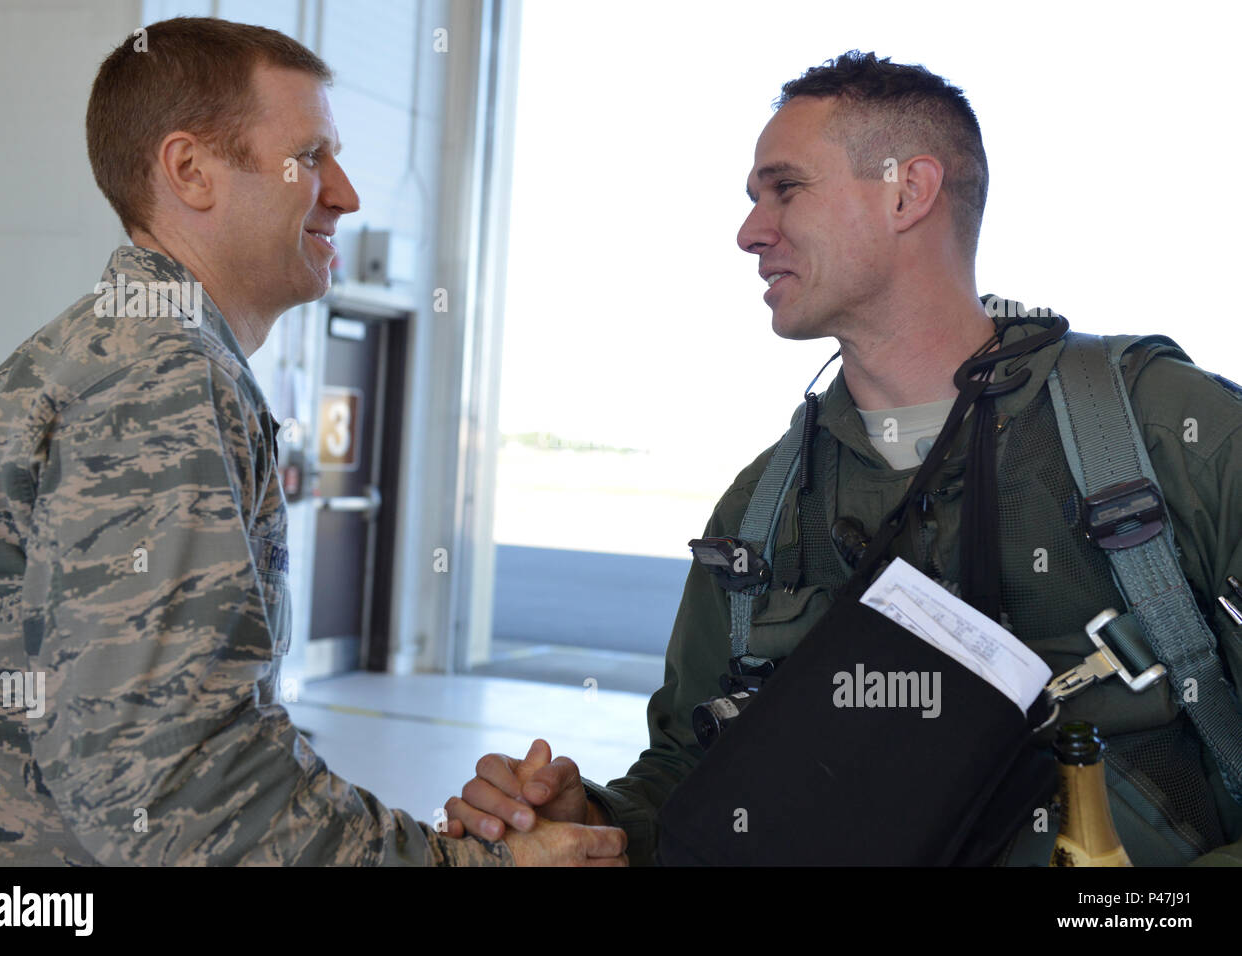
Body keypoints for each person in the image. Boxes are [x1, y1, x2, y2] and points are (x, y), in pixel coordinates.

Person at [445, 50, 1242, 866]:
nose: (750, 231)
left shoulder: (1158, 437)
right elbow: (695, 776)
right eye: (754, 198)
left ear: (908, 190)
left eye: (785, 188)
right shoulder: (762, 513)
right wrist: (597, 824)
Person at [0, 16, 626, 867]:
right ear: (191, 171)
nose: (345, 192)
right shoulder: (165, 385)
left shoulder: (74, 358)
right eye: (309, 157)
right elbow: (180, 790)